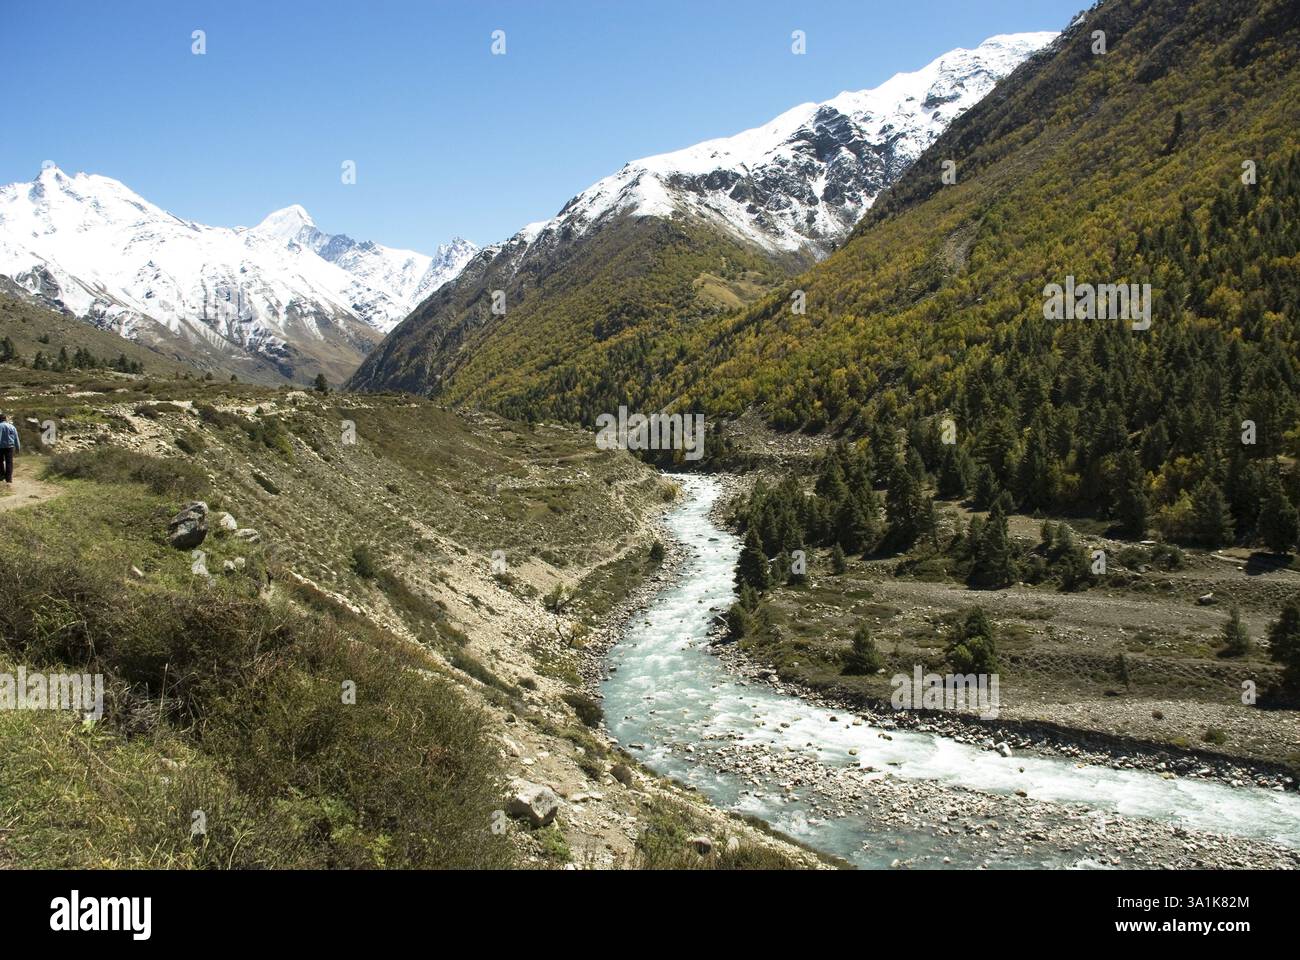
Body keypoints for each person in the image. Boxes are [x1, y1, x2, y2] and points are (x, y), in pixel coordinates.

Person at [0, 413, 19, 484]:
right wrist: (18, 447)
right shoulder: (12, 427)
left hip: (0, 447)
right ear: (5, 419)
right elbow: (16, 437)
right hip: (10, 447)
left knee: (0, 462)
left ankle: (1, 477)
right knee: (9, 463)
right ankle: (9, 479)